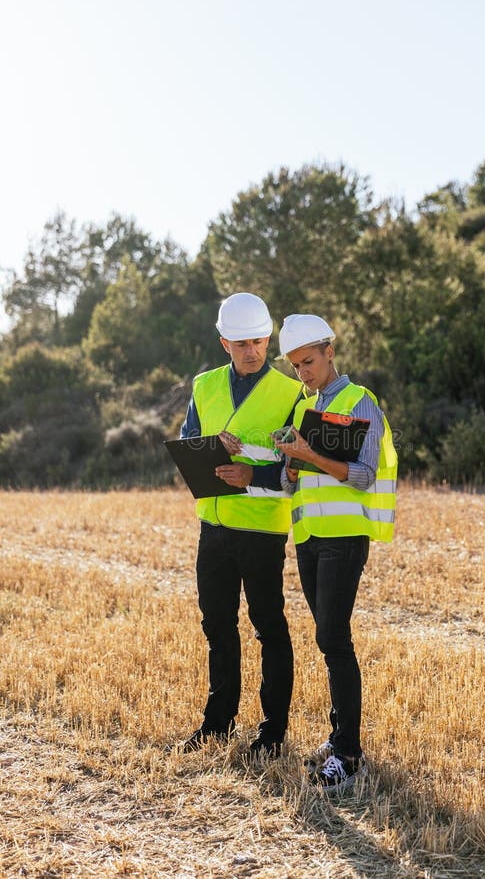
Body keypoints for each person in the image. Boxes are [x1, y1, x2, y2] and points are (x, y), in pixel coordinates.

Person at [175, 293, 303, 758]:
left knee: (269, 626)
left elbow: (298, 469)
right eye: (242, 342)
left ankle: (272, 733)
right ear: (224, 341)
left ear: (268, 338)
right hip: (213, 527)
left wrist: (255, 475)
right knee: (217, 626)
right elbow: (189, 445)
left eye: (260, 341)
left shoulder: (292, 393)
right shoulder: (204, 385)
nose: (252, 350)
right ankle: (217, 724)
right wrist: (211, 446)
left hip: (263, 529)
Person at [276, 313, 398, 793]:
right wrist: (289, 460)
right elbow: (291, 484)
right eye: (295, 365)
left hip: (346, 536)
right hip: (308, 538)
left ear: (329, 352)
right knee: (328, 639)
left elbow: (365, 474)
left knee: (334, 635)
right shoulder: (300, 410)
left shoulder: (359, 400)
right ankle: (338, 738)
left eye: (309, 361)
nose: (302, 372)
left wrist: (309, 455)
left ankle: (348, 753)